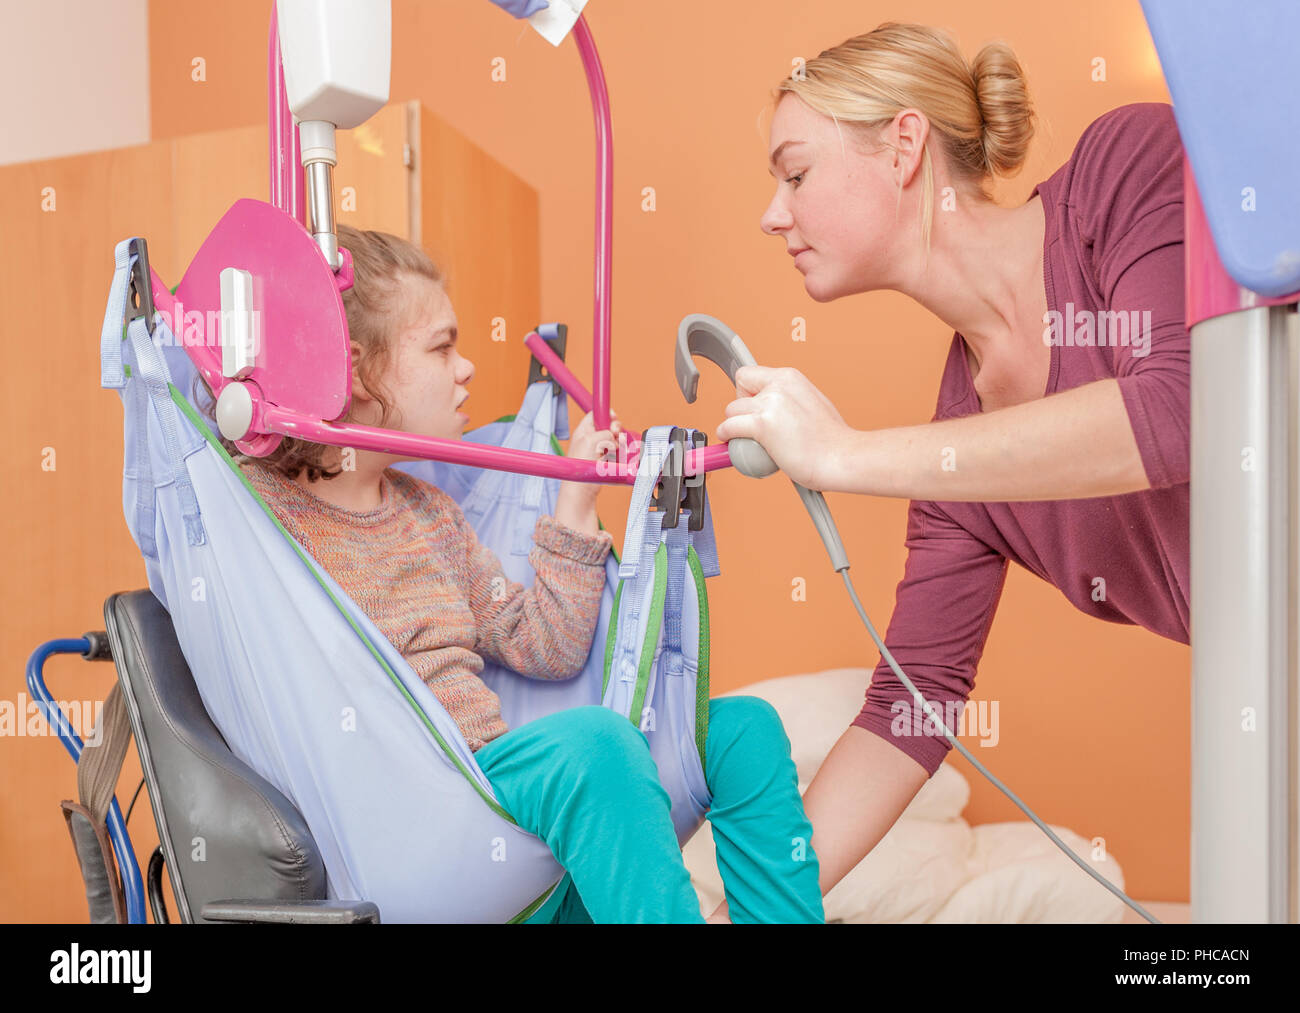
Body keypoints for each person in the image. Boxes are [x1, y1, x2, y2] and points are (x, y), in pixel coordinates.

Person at [206, 224, 824, 924]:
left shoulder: (432, 514)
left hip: (501, 820)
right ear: (349, 370)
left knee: (745, 729)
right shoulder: (259, 517)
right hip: (418, 829)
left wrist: (574, 501)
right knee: (597, 745)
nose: (466, 368)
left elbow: (547, 646)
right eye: (442, 346)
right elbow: (185, 482)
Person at [708, 22, 1188, 918]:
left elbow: (1172, 412)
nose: (774, 212)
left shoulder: (1123, 172)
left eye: (796, 172)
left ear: (903, 144)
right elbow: (909, 708)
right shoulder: (953, 458)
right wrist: (741, 909)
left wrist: (844, 453)